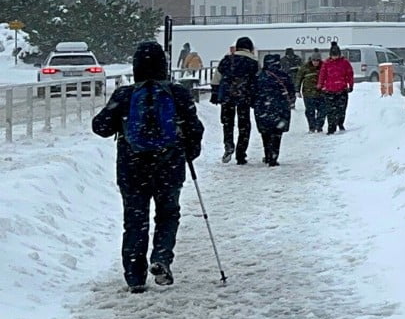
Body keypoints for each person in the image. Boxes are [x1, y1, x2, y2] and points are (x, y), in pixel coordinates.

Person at [90, 41, 205, 293]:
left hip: (132, 168)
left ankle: (134, 276)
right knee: (167, 215)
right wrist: (189, 153)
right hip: (169, 166)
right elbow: (195, 128)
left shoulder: (125, 95)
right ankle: (161, 258)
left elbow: (100, 127)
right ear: (164, 67)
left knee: (135, 220)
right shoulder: (177, 93)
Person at [212, 36, 260, 164]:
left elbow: (217, 77)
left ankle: (228, 145)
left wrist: (215, 93)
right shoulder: (253, 62)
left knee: (227, 123)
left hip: (227, 96)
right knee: (244, 125)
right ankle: (241, 154)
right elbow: (256, 81)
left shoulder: (227, 59)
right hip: (244, 96)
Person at [253, 53, 297, 165]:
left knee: (265, 133)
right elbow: (291, 91)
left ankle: (268, 154)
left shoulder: (259, 76)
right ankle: (274, 157)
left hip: (263, 108)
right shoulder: (283, 76)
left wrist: (256, 104)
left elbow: (252, 93)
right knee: (277, 133)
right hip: (280, 108)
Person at [318, 42, 355, 134]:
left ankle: (340, 122)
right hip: (329, 90)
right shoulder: (326, 63)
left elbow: (350, 74)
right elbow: (322, 75)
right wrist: (320, 85)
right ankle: (331, 127)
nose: (335, 57)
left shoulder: (345, 63)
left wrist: (351, 85)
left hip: (342, 90)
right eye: (333, 56)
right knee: (330, 111)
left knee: (341, 110)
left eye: (336, 55)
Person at [299, 51, 325, 132]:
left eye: (317, 60)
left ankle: (319, 126)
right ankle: (312, 127)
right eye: (314, 60)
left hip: (321, 94)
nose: (315, 62)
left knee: (323, 111)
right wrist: (297, 90)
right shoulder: (305, 67)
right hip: (308, 93)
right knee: (310, 112)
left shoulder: (324, 66)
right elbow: (299, 78)